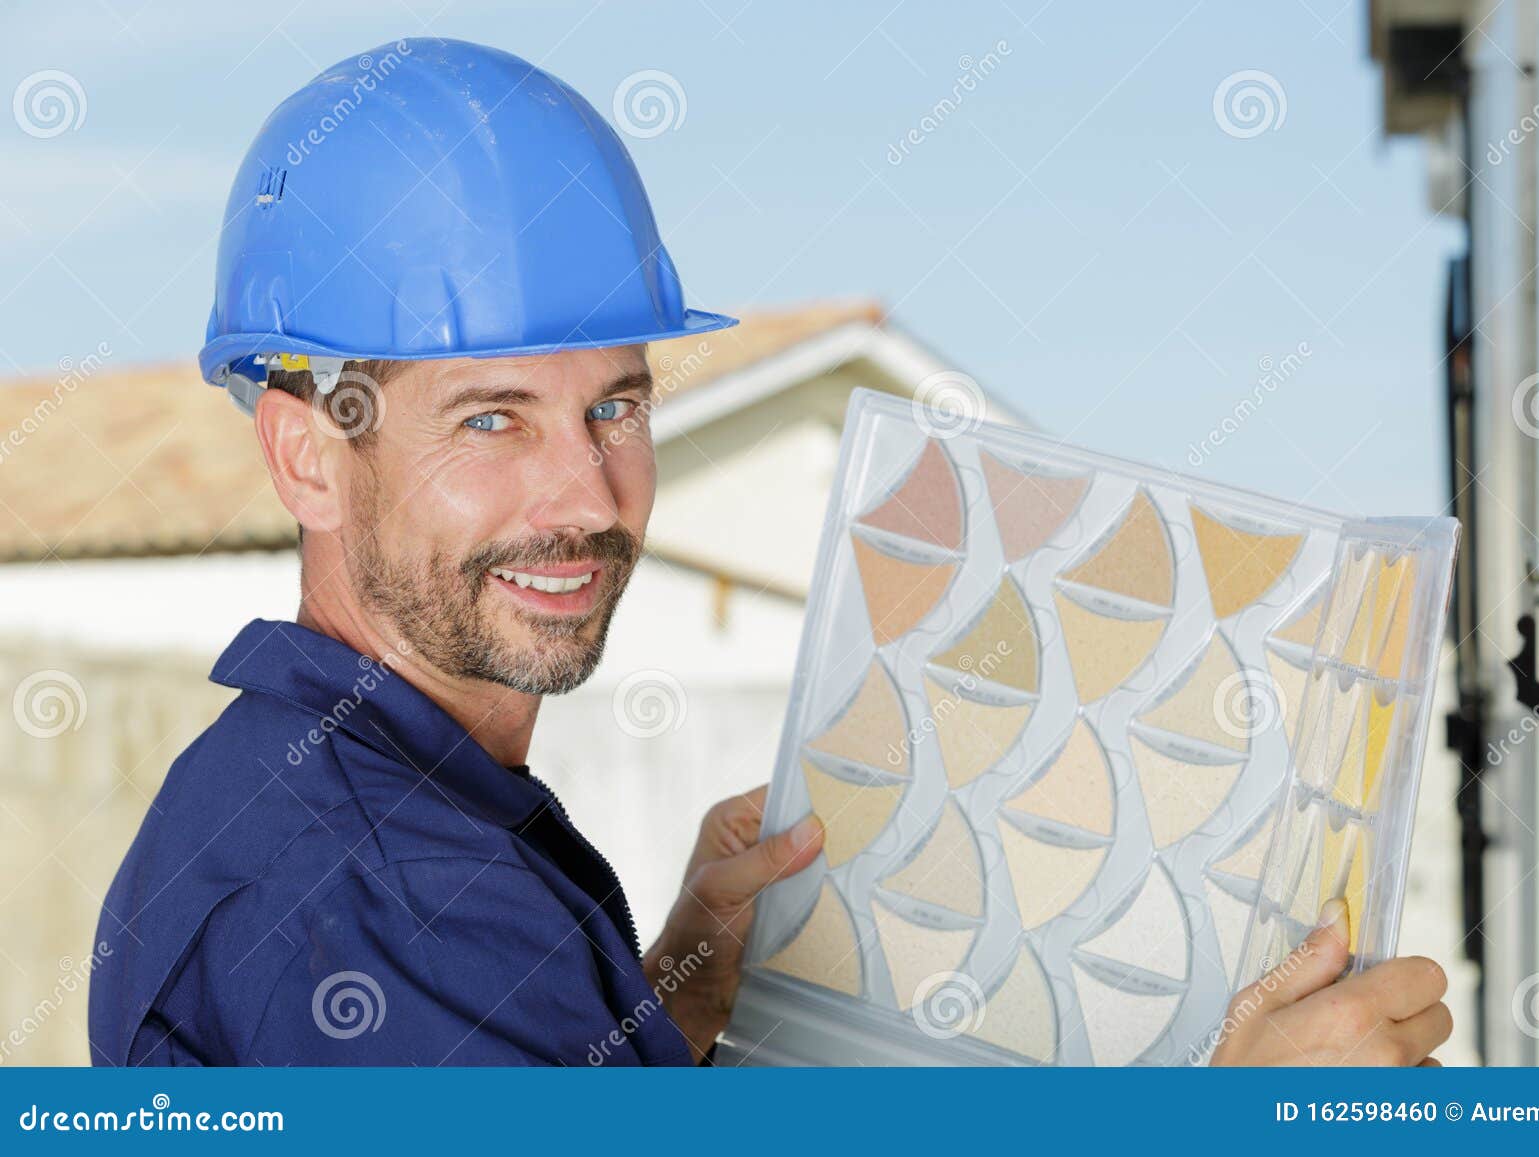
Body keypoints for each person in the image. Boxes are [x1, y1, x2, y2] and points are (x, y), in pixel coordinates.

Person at [89, 38, 1450, 1067]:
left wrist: (677, 983)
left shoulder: (377, 813)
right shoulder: (379, 895)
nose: (588, 490)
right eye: (491, 416)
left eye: (614, 403)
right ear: (308, 453)